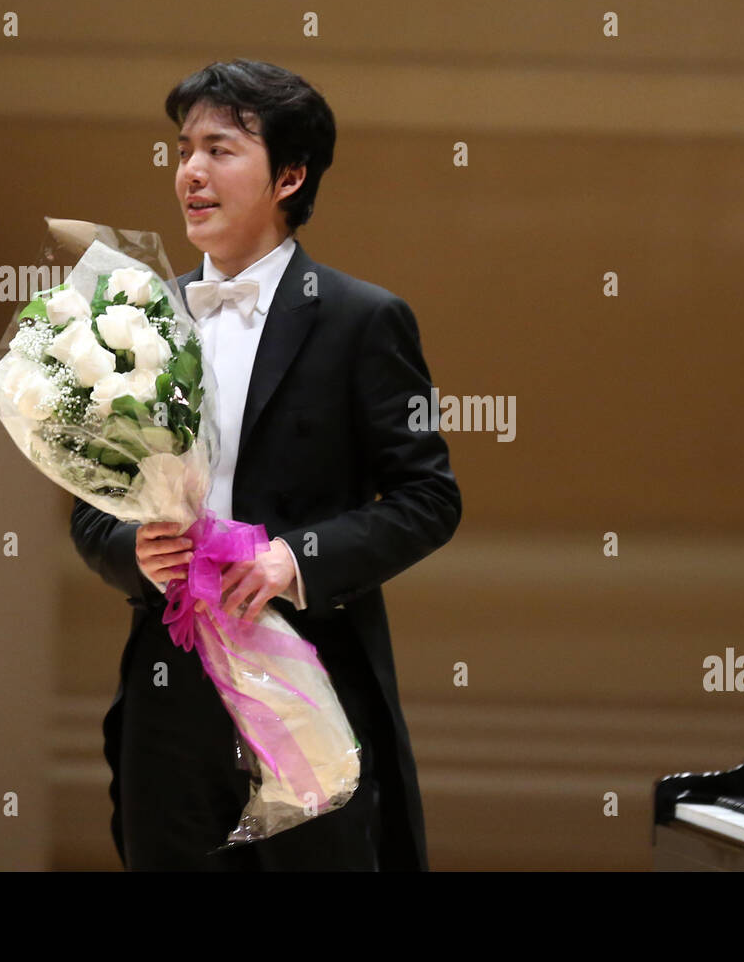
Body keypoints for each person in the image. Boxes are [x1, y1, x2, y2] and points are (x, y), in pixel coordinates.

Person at [69, 59, 462, 871]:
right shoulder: (137, 321)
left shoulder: (364, 320)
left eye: (220, 149)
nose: (191, 173)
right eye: (183, 150)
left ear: (290, 174)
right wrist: (127, 549)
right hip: (169, 687)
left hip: (306, 677)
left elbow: (429, 498)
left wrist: (296, 558)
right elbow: (88, 504)